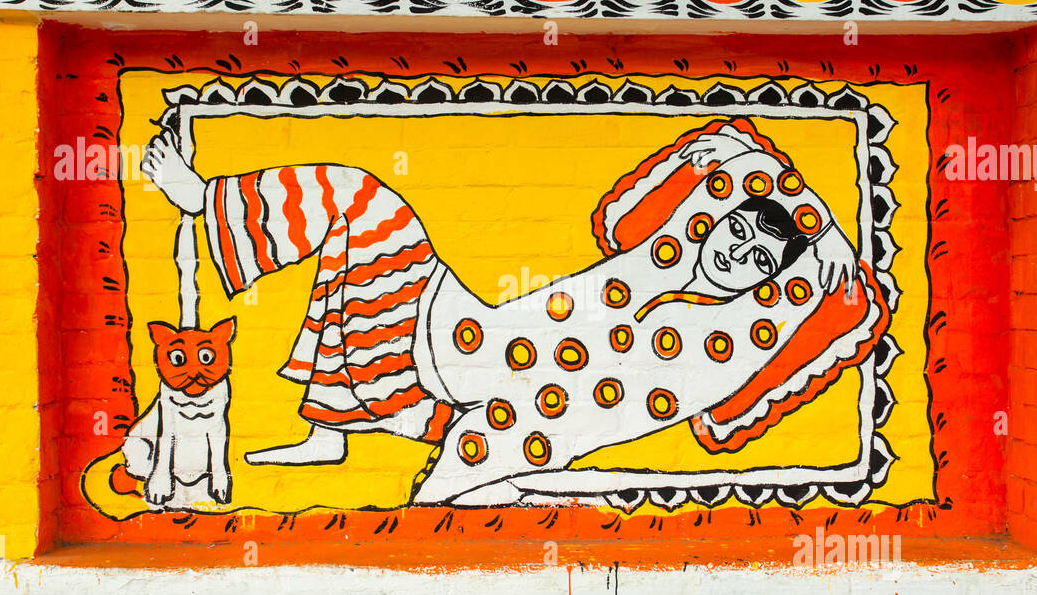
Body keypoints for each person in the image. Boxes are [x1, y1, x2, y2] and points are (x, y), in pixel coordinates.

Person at [141, 117, 888, 506]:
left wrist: (828, 262)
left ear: (770, 287)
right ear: (714, 219)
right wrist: (791, 201)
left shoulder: (726, 344)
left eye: (760, 261)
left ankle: (206, 204)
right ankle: (328, 426)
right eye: (736, 230)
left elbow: (546, 419)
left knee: (363, 203)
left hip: (490, 396)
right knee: (361, 207)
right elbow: (733, 166)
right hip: (459, 338)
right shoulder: (662, 257)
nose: (737, 255)